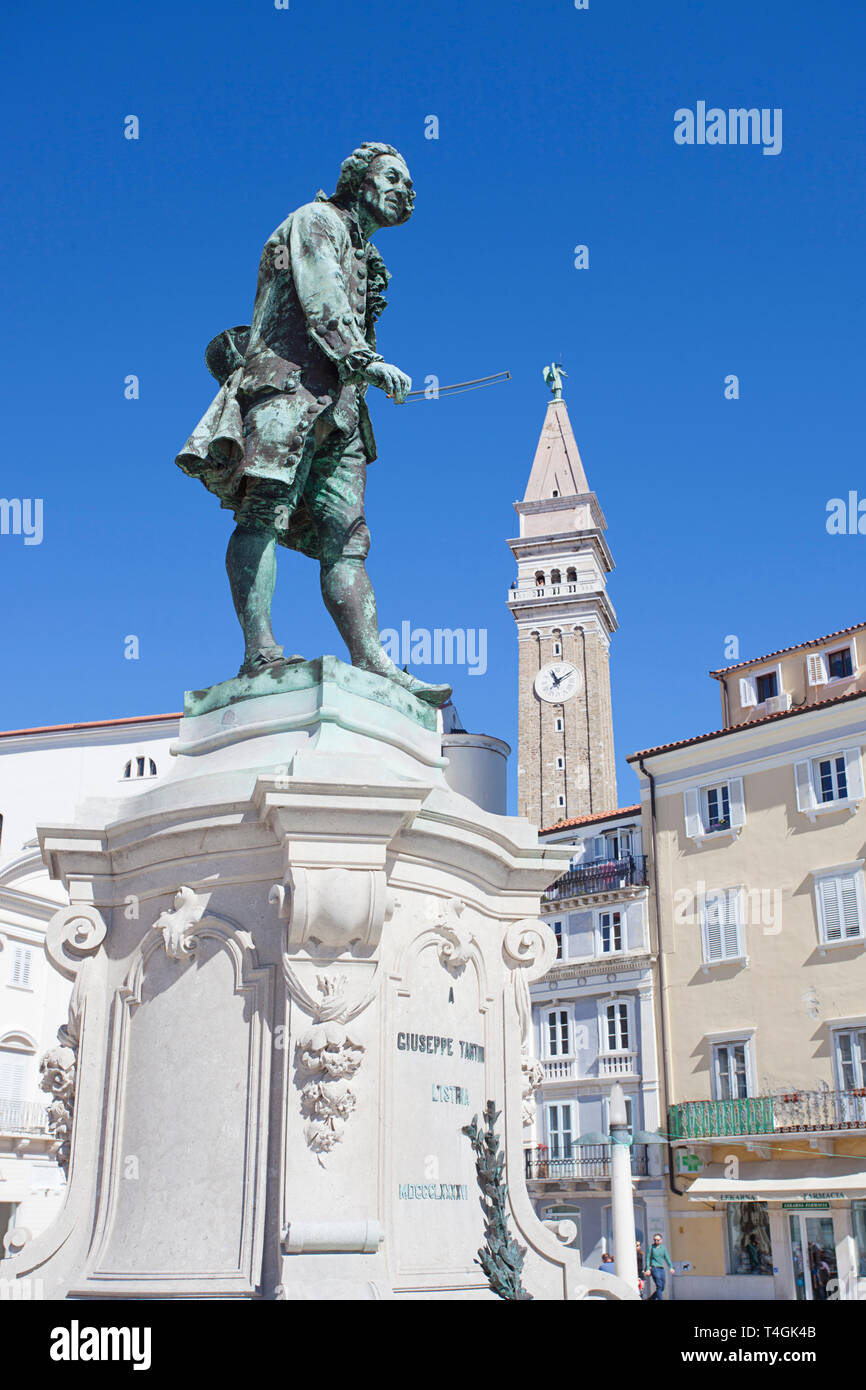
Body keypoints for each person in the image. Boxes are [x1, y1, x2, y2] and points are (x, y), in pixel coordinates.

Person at [176, 142, 450, 705]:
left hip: (343, 413)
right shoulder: (316, 220)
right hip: (285, 391)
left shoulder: (368, 258)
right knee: (263, 513)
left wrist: (362, 373)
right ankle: (260, 653)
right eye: (393, 178)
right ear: (358, 180)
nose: (406, 190)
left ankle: (373, 661)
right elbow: (322, 294)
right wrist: (367, 361)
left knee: (348, 540)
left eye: (411, 184)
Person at [644, 1231, 674, 1300]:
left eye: (658, 1240)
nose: (656, 1241)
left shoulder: (663, 1249)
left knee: (662, 1287)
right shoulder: (651, 1247)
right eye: (654, 1240)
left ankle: (651, 1298)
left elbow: (667, 1258)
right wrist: (648, 1269)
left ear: (661, 1240)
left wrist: (671, 1267)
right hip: (654, 1268)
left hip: (661, 1269)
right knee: (659, 1285)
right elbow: (647, 1258)